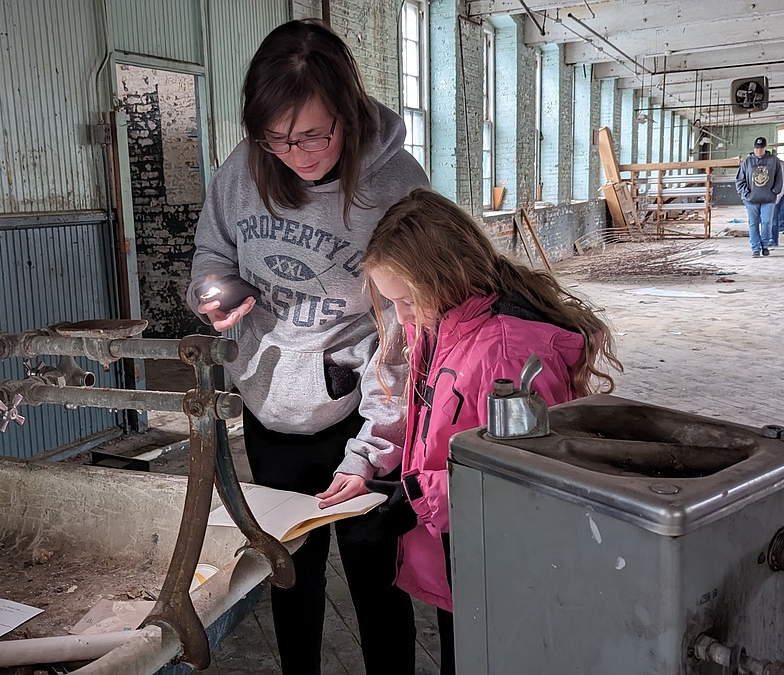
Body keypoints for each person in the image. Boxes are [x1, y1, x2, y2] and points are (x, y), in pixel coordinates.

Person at [187, 19, 427, 675]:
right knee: (289, 577)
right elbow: (211, 253)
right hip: (271, 409)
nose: (297, 153)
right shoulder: (243, 171)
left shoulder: (396, 183)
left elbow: (417, 319)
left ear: (346, 112)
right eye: (279, 139)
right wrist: (217, 293)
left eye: (312, 135)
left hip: (363, 412)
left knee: (380, 579)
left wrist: (378, 440)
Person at [358, 188, 622, 674]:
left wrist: (419, 495)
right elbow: (435, 425)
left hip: (500, 558)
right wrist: (389, 471)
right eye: (391, 301)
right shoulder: (443, 324)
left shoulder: (507, 353)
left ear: (446, 275)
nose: (401, 316)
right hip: (461, 542)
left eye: (408, 299)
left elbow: (532, 479)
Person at [735, 136, 784, 257]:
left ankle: (765, 245)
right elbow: (739, 180)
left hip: (768, 199)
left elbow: (779, 179)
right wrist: (746, 194)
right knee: (753, 223)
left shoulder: (774, 161)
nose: (758, 151)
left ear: (765, 148)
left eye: (761, 148)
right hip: (751, 200)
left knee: (767, 222)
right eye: (756, 148)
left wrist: (774, 192)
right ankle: (755, 248)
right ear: (753, 148)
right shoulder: (747, 162)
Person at [771, 153, 784, 247]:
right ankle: (782, 228)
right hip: (777, 193)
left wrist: (778, 196)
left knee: (774, 217)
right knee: (778, 213)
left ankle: (773, 239)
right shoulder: (782, 164)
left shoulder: (780, 165)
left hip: (777, 193)